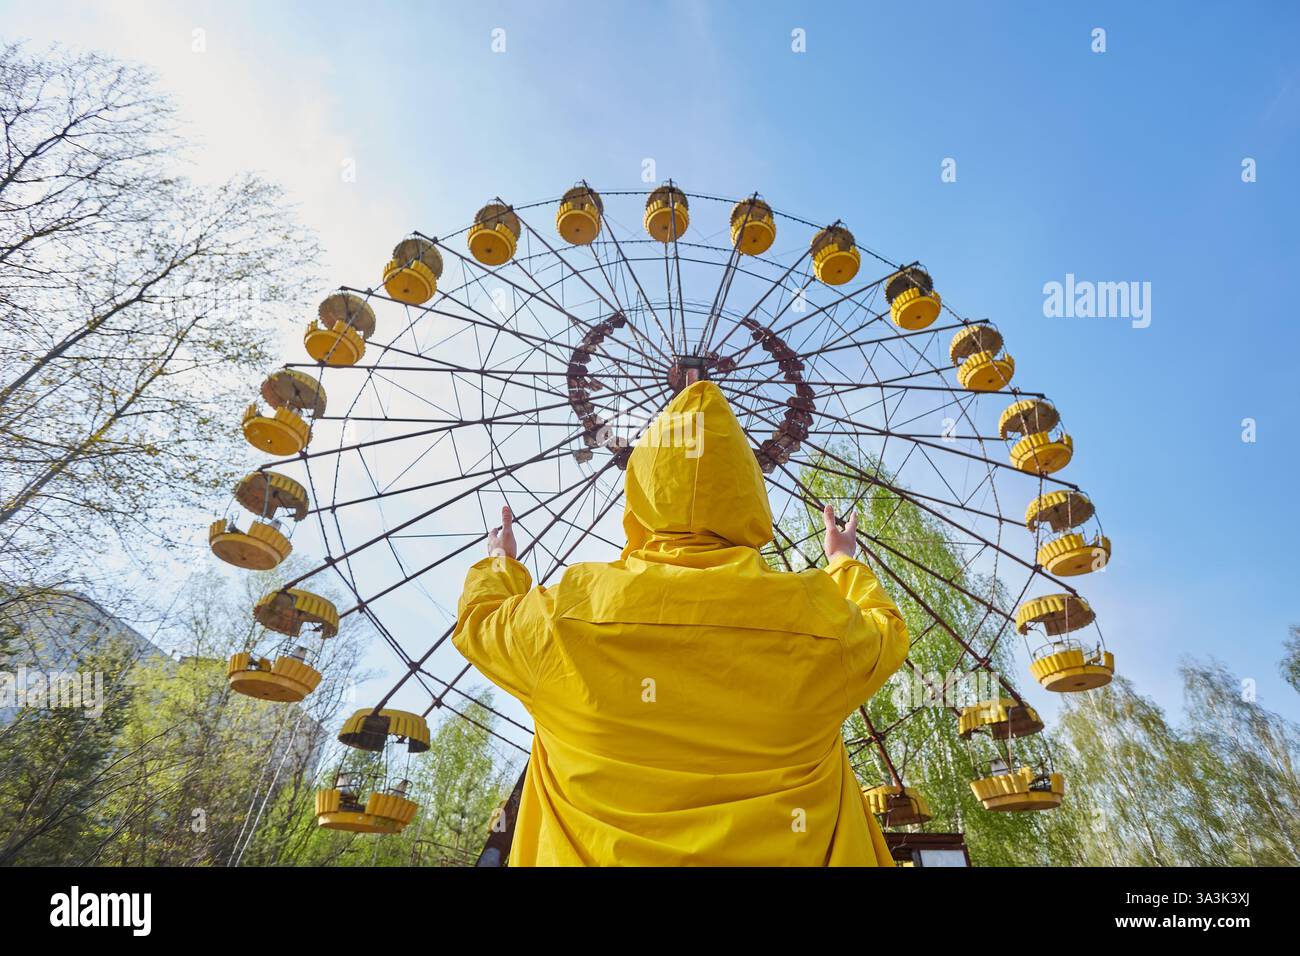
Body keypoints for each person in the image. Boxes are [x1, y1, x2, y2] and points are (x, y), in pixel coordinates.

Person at [453, 380, 908, 866]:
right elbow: (887, 630)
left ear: (643, 490)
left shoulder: (561, 615)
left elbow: (480, 621)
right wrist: (842, 563)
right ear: (749, 494)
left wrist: (501, 563)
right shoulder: (819, 620)